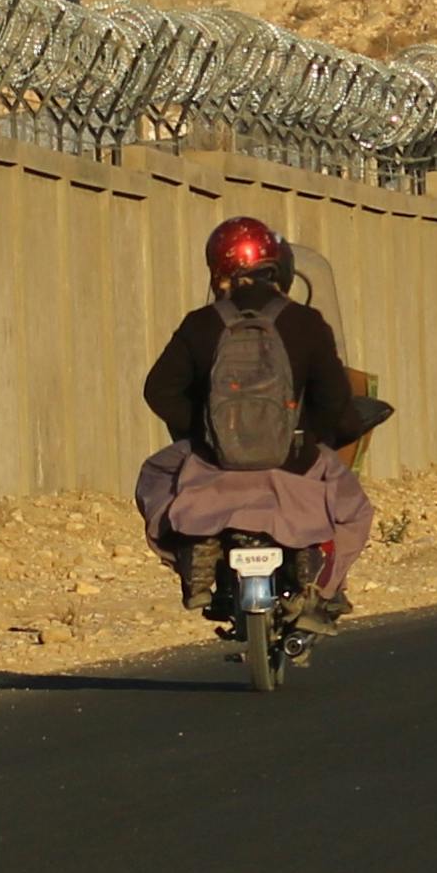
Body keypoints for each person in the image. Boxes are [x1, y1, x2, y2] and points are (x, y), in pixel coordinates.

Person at [138, 214, 382, 623]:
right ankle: (322, 587)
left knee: (153, 478)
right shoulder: (306, 323)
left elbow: (158, 391)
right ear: (277, 266)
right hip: (293, 464)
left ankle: (194, 551)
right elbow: (334, 400)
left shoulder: (200, 324)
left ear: (220, 270)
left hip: (214, 467)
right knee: (354, 511)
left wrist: (203, 436)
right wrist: (310, 439)